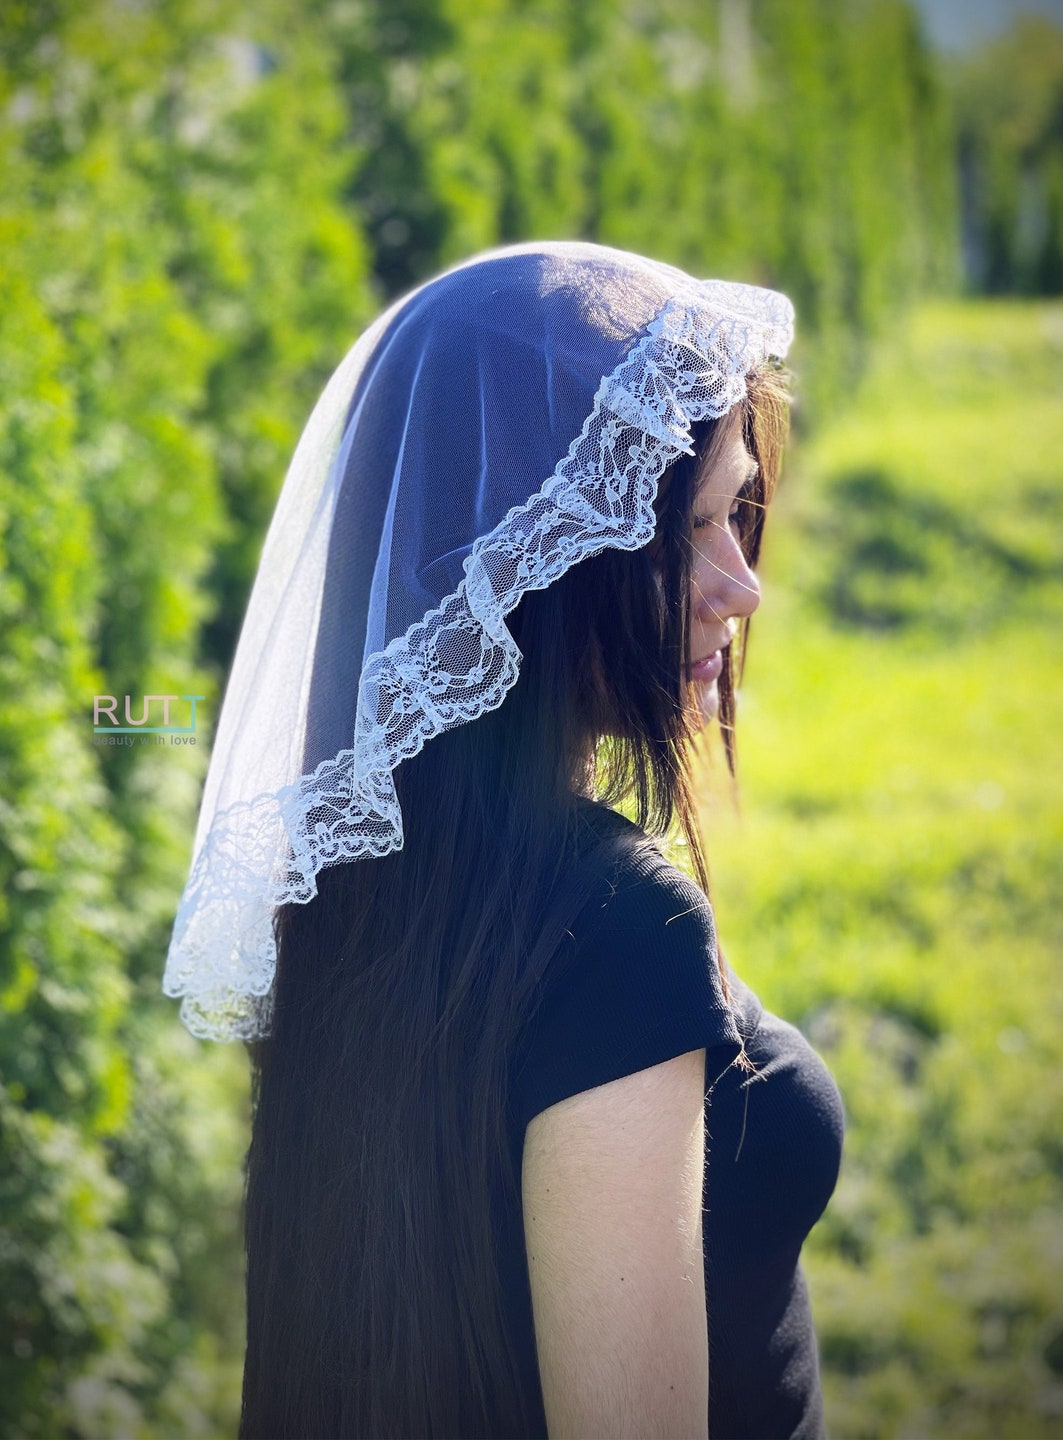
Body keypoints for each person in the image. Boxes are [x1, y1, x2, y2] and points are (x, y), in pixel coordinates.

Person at [163, 241, 845, 1439]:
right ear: (537, 564)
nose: (743, 587)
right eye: (685, 533)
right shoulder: (614, 930)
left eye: (738, 511)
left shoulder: (358, 895)